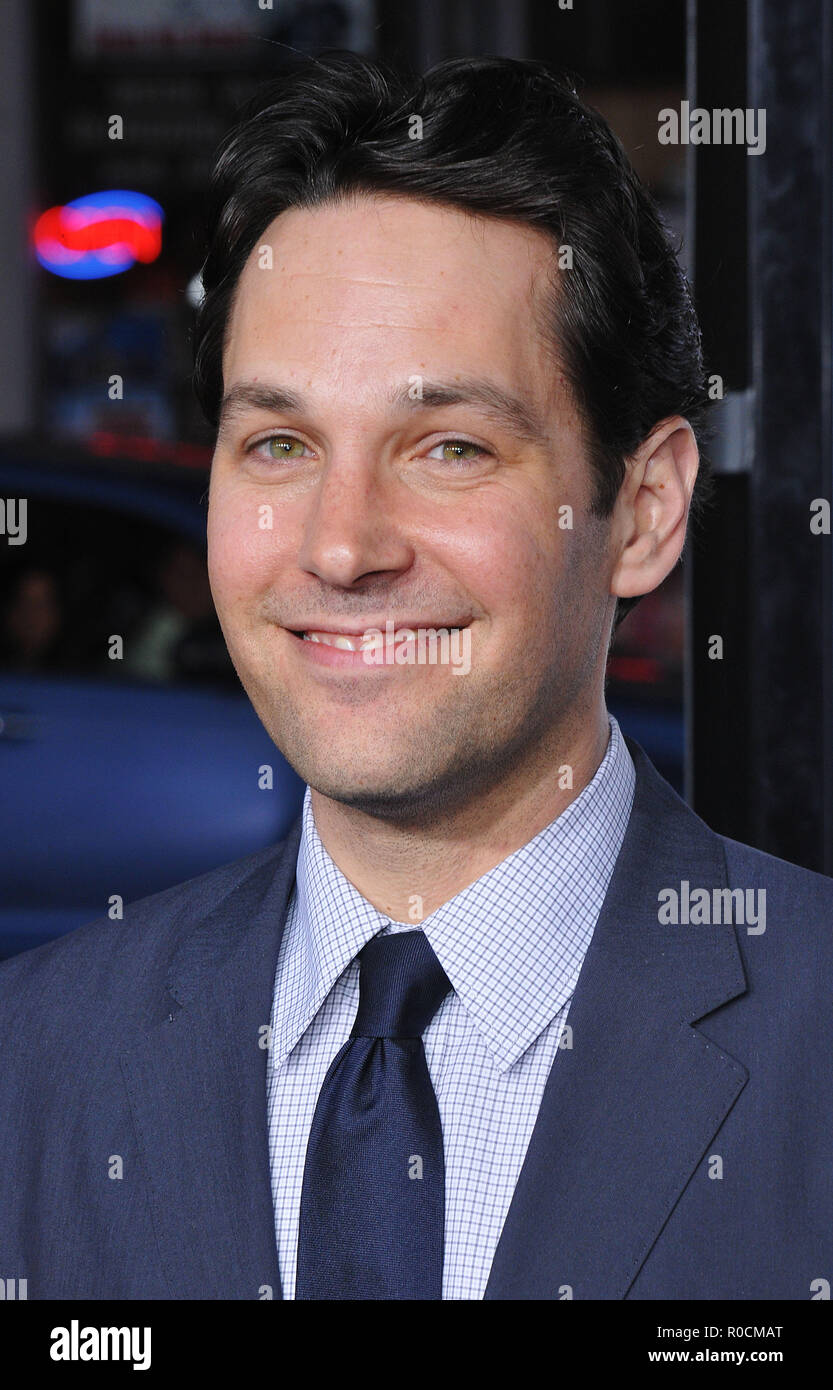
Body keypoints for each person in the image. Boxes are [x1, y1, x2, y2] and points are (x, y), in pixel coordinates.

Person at [1, 51, 830, 1302]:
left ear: (645, 509)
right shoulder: (37, 1058)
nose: (341, 545)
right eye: (277, 443)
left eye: (447, 446)